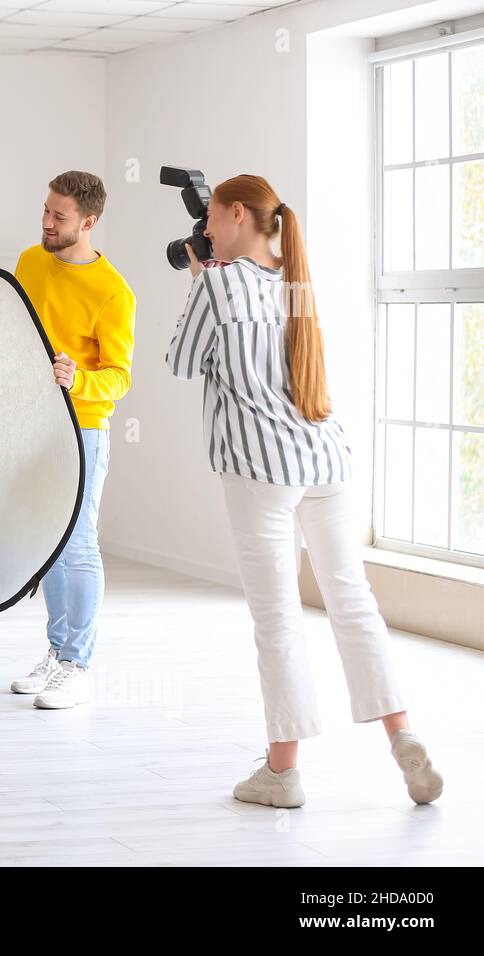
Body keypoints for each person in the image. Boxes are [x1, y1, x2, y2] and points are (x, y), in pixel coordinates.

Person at [165, 173, 444, 808]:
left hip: (262, 472)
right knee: (352, 602)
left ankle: (282, 772)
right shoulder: (294, 281)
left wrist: (197, 282)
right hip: (328, 460)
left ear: (238, 214)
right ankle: (403, 735)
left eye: (211, 217)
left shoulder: (218, 281)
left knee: (278, 618)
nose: (205, 230)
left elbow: (180, 362)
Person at [0, 170, 136, 710]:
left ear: (89, 221)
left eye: (59, 216)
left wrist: (78, 378)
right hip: (30, 422)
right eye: (46, 211)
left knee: (77, 543)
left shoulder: (113, 292)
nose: (47, 223)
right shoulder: (32, 261)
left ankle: (77, 666)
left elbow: (120, 377)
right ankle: (58, 655)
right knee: (48, 543)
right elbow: (8, 321)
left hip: (82, 429)